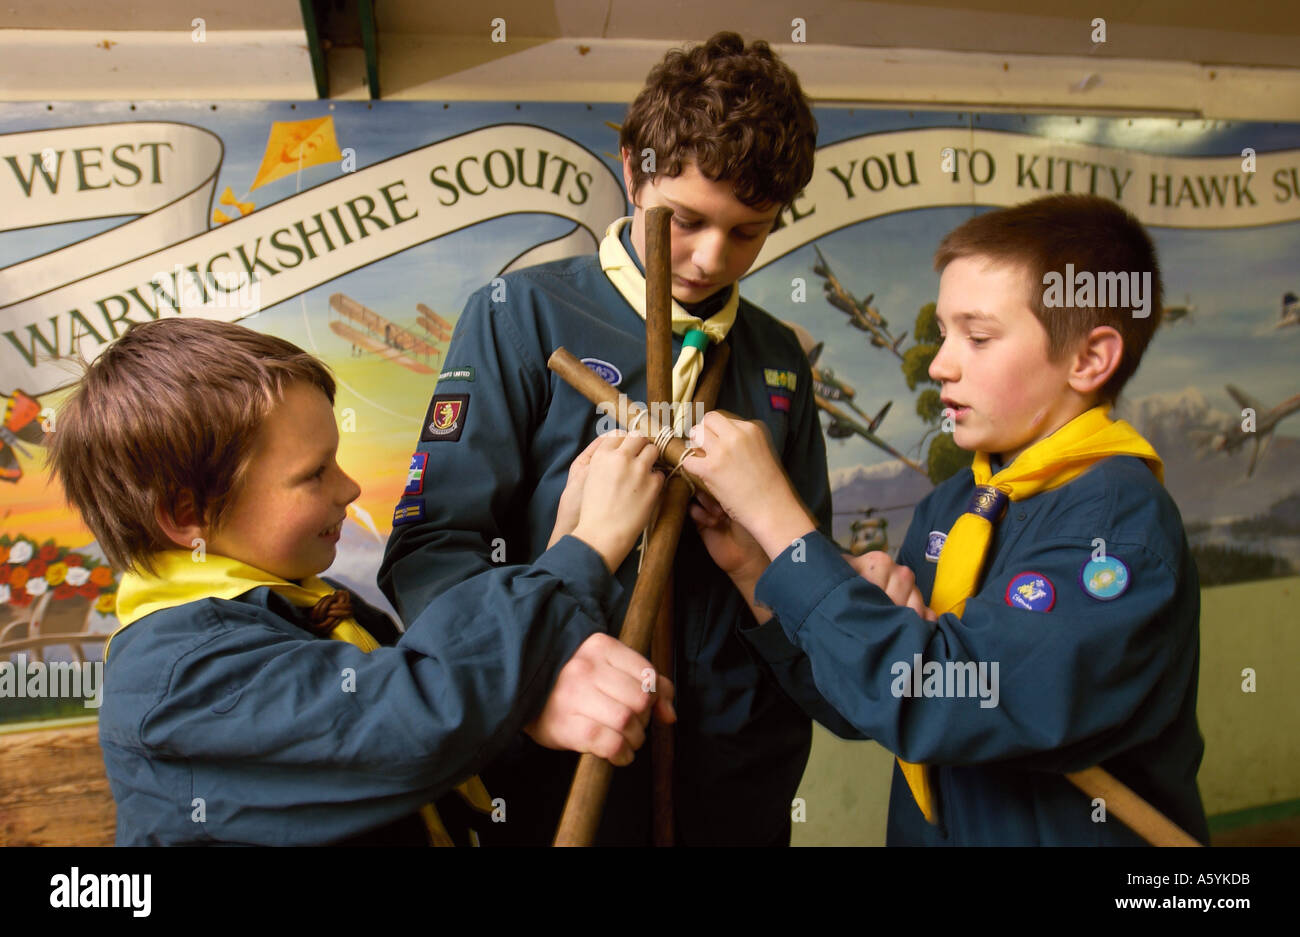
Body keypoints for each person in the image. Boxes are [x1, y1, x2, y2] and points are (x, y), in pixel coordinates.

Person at [380, 32, 833, 845]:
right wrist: (530, 681)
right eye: (686, 219)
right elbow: (433, 550)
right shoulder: (519, 315)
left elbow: (807, 569)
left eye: (748, 232)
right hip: (562, 779)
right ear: (632, 166)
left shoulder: (778, 361)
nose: (708, 257)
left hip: (738, 794)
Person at [683, 194, 1210, 845]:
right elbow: (874, 701)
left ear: (1089, 359)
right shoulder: (954, 504)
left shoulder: (1118, 529)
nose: (939, 365)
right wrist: (758, 572)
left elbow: (935, 699)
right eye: (942, 335)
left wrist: (779, 518)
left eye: (979, 337)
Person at [47, 317, 672, 846]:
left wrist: (556, 563)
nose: (348, 488)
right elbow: (422, 721)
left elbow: (425, 757)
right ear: (188, 517)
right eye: (315, 473)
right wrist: (589, 549)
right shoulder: (182, 675)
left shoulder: (321, 614)